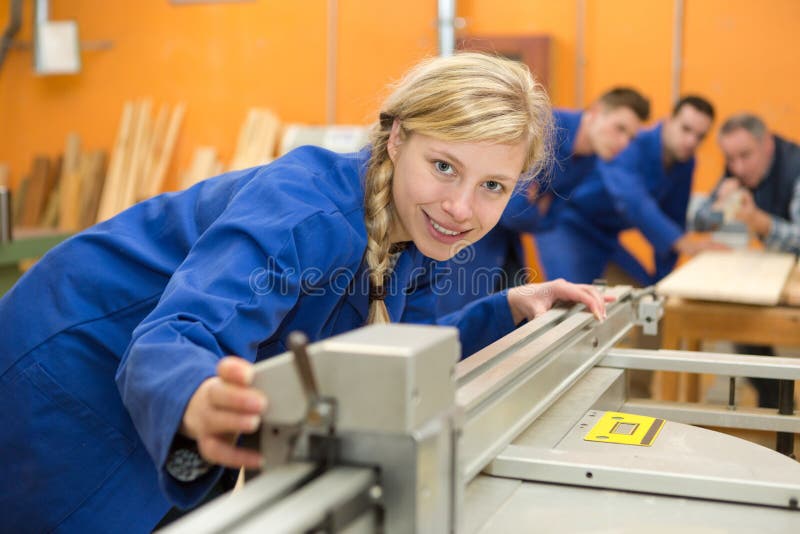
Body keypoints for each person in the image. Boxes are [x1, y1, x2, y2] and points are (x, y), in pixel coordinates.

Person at [0, 53, 611, 532]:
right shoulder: (303, 212)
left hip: (179, 391)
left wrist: (510, 309)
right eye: (445, 166)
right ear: (396, 139)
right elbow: (176, 334)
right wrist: (196, 392)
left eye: (494, 187)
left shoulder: (416, 233)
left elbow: (410, 351)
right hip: (73, 366)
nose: (460, 208)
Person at [435, 87, 650, 315]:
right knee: (457, 327)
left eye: (631, 137)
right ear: (595, 112)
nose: (623, 143)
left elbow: (552, 217)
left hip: (506, 245)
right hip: (470, 237)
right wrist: (536, 206)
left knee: (508, 325)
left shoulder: (589, 159)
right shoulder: (544, 128)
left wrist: (534, 204)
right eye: (620, 129)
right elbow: (513, 210)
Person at [534, 95, 723, 286]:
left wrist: (664, 282)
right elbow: (632, 199)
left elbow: (674, 218)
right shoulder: (632, 142)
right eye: (686, 129)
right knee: (572, 302)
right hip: (567, 225)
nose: (691, 141)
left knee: (645, 293)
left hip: (606, 236)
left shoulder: (685, 163)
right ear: (669, 121)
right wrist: (683, 242)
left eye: (700, 137)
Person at [694, 113, 800, 408]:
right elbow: (701, 220)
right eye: (730, 158)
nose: (737, 167)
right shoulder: (736, 171)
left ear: (767, 145)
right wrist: (719, 206)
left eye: (745, 156)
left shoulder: (796, 166)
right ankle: (776, 401)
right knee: (743, 324)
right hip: (779, 274)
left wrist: (759, 221)